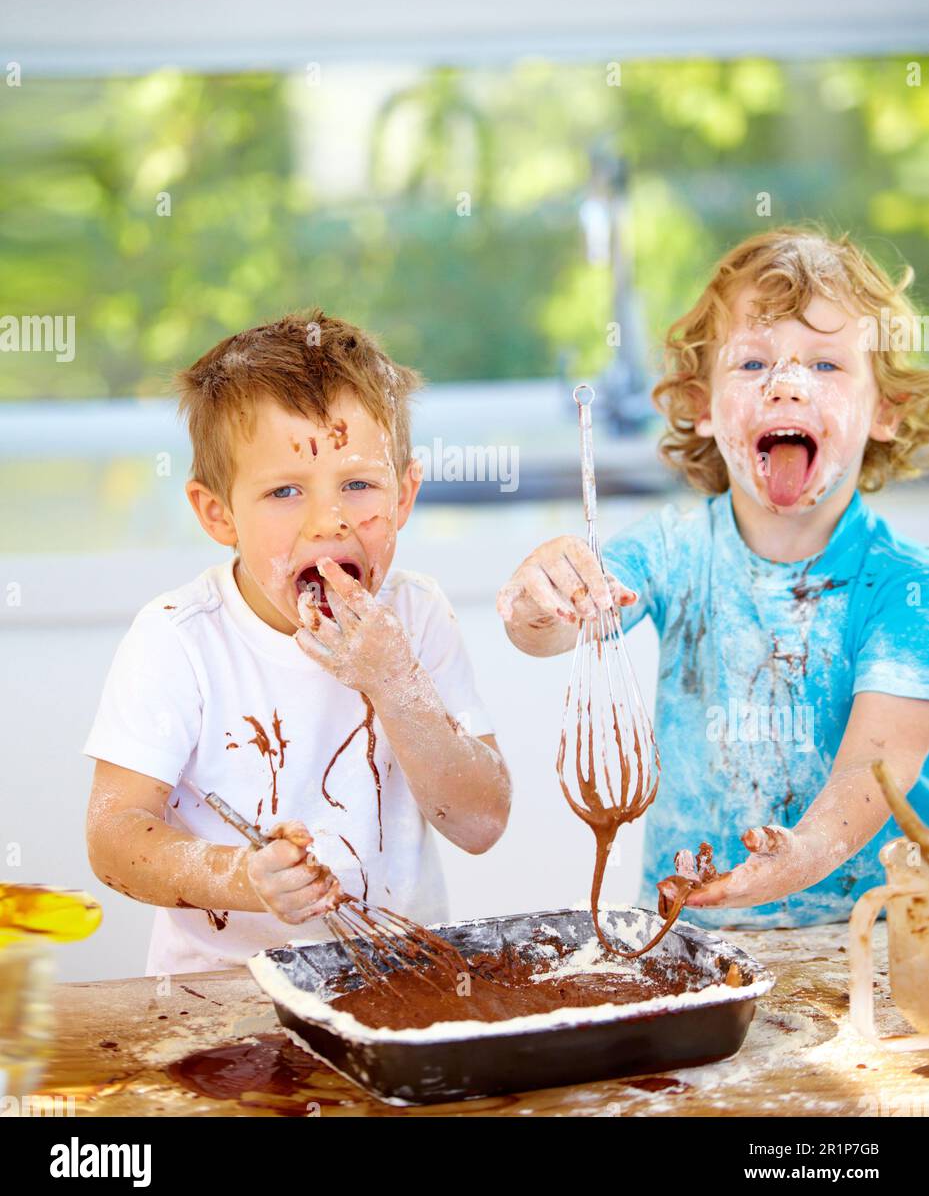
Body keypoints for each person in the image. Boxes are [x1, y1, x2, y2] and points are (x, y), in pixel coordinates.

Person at [498, 229, 929, 927]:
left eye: (824, 365)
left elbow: (876, 768)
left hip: (862, 949)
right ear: (701, 403)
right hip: (685, 937)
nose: (786, 386)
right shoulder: (673, 550)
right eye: (753, 362)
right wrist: (541, 593)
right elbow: (553, 630)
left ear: (884, 411)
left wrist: (801, 853)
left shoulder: (906, 588)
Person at [85, 312, 510, 973]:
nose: (327, 522)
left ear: (404, 496)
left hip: (398, 992)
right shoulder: (178, 638)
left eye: (358, 484)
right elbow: (113, 838)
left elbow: (480, 824)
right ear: (217, 514)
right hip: (220, 1009)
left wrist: (395, 683)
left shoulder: (416, 618)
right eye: (284, 491)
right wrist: (241, 876)